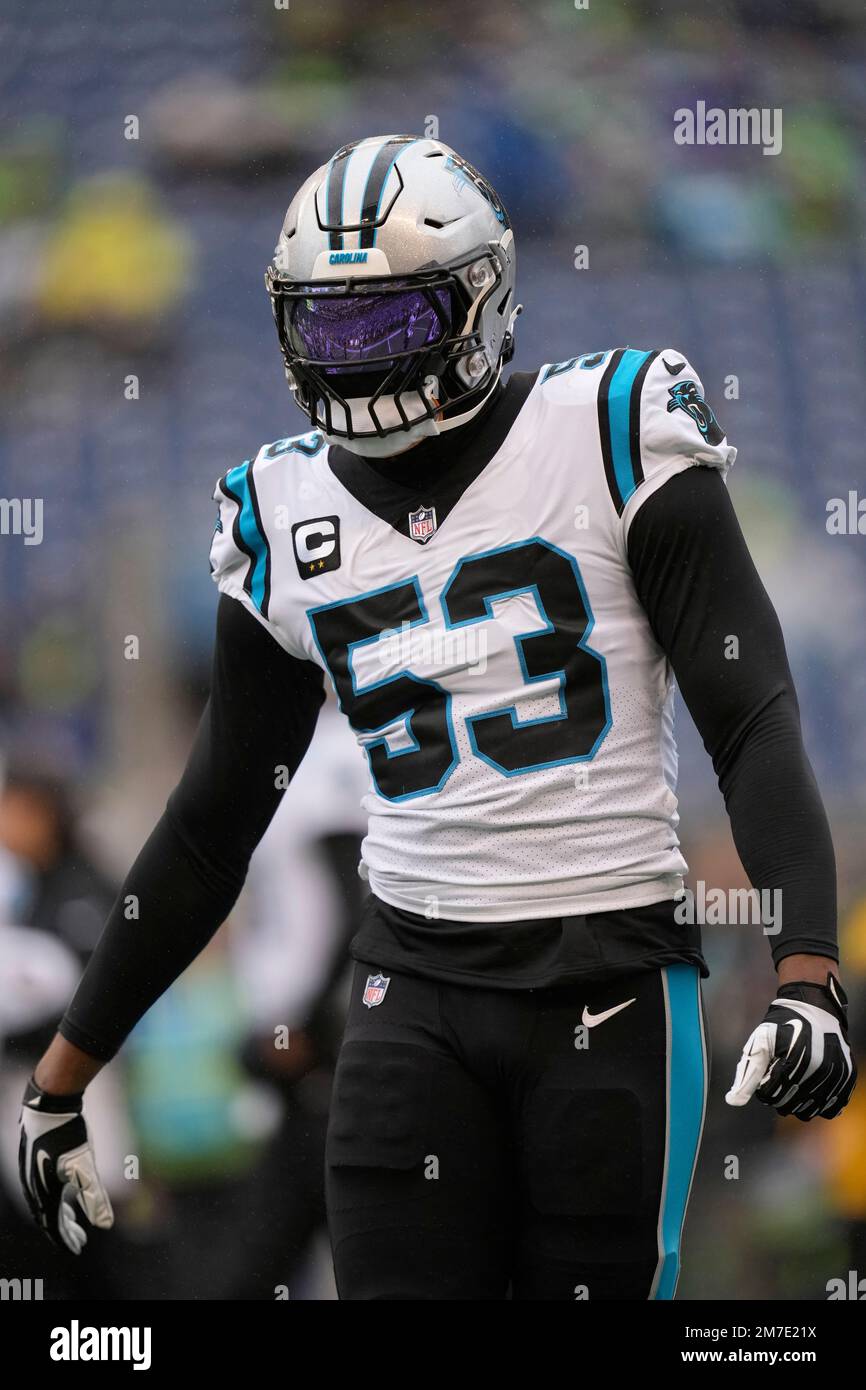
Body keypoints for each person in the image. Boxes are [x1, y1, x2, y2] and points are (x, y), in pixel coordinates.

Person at [17, 135, 856, 1300]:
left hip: (606, 974)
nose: (352, 357)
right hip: (406, 989)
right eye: (326, 325)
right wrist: (65, 1071)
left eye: (387, 322)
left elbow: (751, 716)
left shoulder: (610, 428)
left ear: (480, 299)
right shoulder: (280, 506)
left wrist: (804, 970)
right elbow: (214, 819)